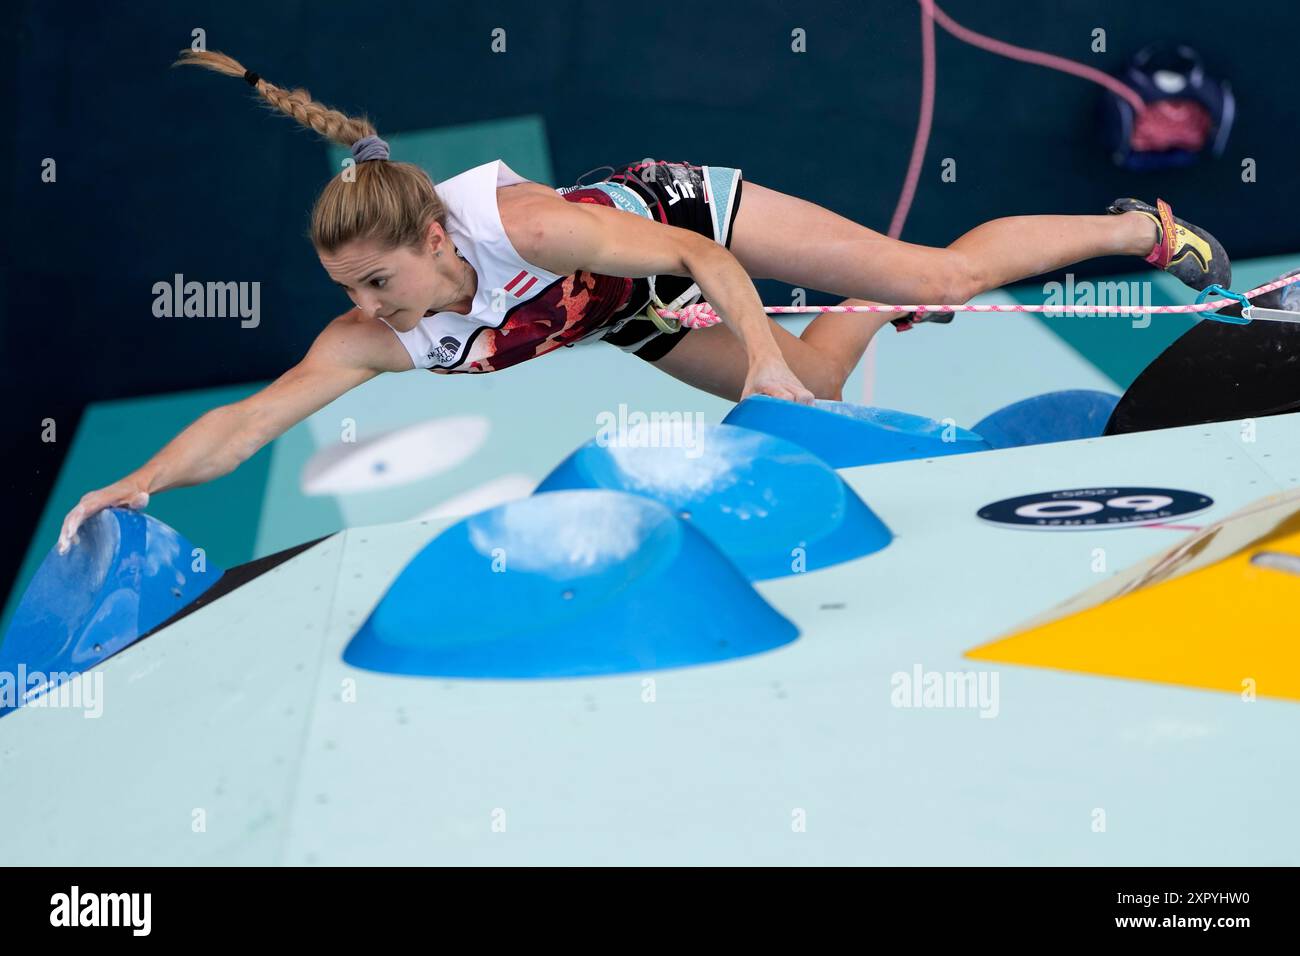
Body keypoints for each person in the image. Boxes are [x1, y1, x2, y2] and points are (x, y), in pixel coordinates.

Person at [56, 48, 1231, 554]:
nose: (375, 310)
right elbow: (252, 417)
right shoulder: (375, 336)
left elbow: (701, 264)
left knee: (934, 271)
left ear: (431, 237)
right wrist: (142, 478)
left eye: (379, 280)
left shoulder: (527, 225)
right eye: (350, 293)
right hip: (613, 310)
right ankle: (867, 310)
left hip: (681, 222)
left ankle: (1143, 226)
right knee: (819, 381)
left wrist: (759, 359)